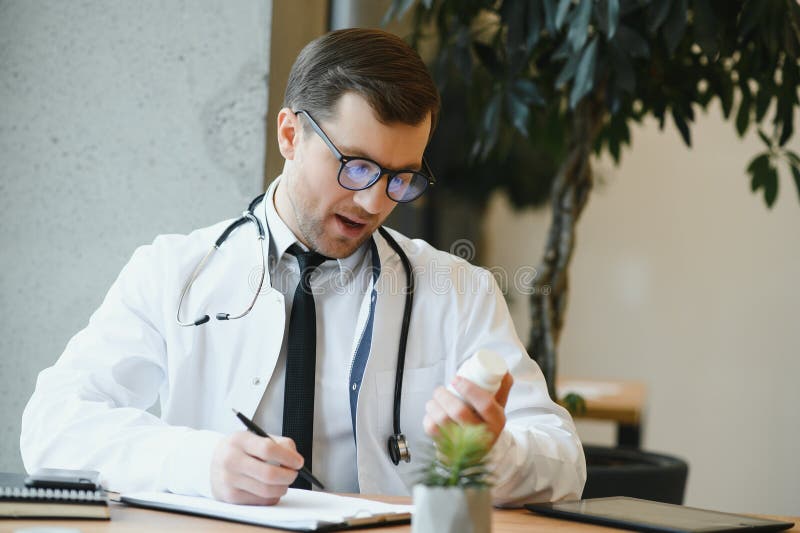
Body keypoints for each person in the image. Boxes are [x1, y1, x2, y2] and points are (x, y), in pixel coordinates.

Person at [20, 28, 585, 507]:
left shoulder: (456, 290)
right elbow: (53, 426)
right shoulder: (173, 272)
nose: (374, 203)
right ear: (290, 135)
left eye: (400, 178)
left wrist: (493, 453)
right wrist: (204, 464)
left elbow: (563, 460)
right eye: (358, 168)